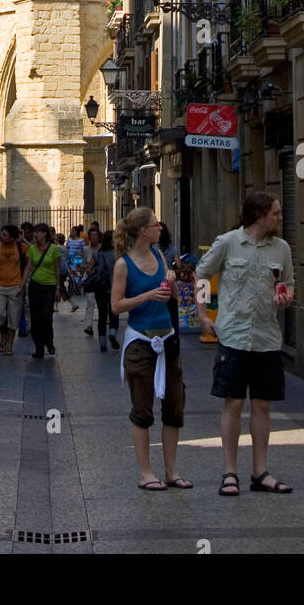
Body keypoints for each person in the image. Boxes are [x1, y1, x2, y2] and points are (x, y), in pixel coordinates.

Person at [195, 191, 295, 496]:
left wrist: (286, 296)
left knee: (262, 405)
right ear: (259, 216)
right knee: (234, 403)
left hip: (266, 337)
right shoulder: (227, 243)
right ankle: (229, 472)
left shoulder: (282, 249)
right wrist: (202, 315)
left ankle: (260, 472)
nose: (279, 218)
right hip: (234, 335)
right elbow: (201, 274)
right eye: (275, 213)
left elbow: (288, 284)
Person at [110, 207, 191, 492]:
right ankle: (146, 473)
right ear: (144, 231)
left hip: (168, 340)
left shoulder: (159, 255)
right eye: (156, 224)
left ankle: (171, 471)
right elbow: (116, 306)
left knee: (174, 408)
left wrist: (168, 283)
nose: (161, 228)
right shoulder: (123, 265)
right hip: (140, 343)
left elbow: (166, 291)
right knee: (142, 411)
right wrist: (147, 295)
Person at [20, 223, 63, 357]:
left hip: (49, 286)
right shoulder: (31, 249)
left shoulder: (54, 249)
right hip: (35, 285)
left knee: (46, 316)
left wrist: (58, 288)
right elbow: (28, 268)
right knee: (35, 317)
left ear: (44, 233)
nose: (35, 235)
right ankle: (39, 346)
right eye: (35, 233)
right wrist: (22, 285)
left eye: (37, 232)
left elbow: (57, 269)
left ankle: (49, 341)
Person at [0, 225, 27, 354]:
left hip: (15, 286)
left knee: (13, 317)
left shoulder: (21, 247)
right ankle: (4, 335)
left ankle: (9, 343)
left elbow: (33, 254)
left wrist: (23, 239)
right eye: (2, 233)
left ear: (12, 238)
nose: (1, 236)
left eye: (5, 235)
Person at [88, 229, 120, 352]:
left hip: (100, 287)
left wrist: (96, 274)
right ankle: (112, 333)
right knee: (114, 313)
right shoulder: (117, 255)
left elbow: (89, 269)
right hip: (114, 288)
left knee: (102, 314)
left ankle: (102, 342)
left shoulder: (97, 253)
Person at [82, 227, 103, 334]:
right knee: (90, 302)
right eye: (91, 235)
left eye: (95, 235)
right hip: (90, 279)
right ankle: (88, 325)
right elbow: (84, 262)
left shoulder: (102, 248)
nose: (93, 237)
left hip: (101, 280)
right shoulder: (86, 249)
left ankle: (102, 322)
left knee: (101, 304)